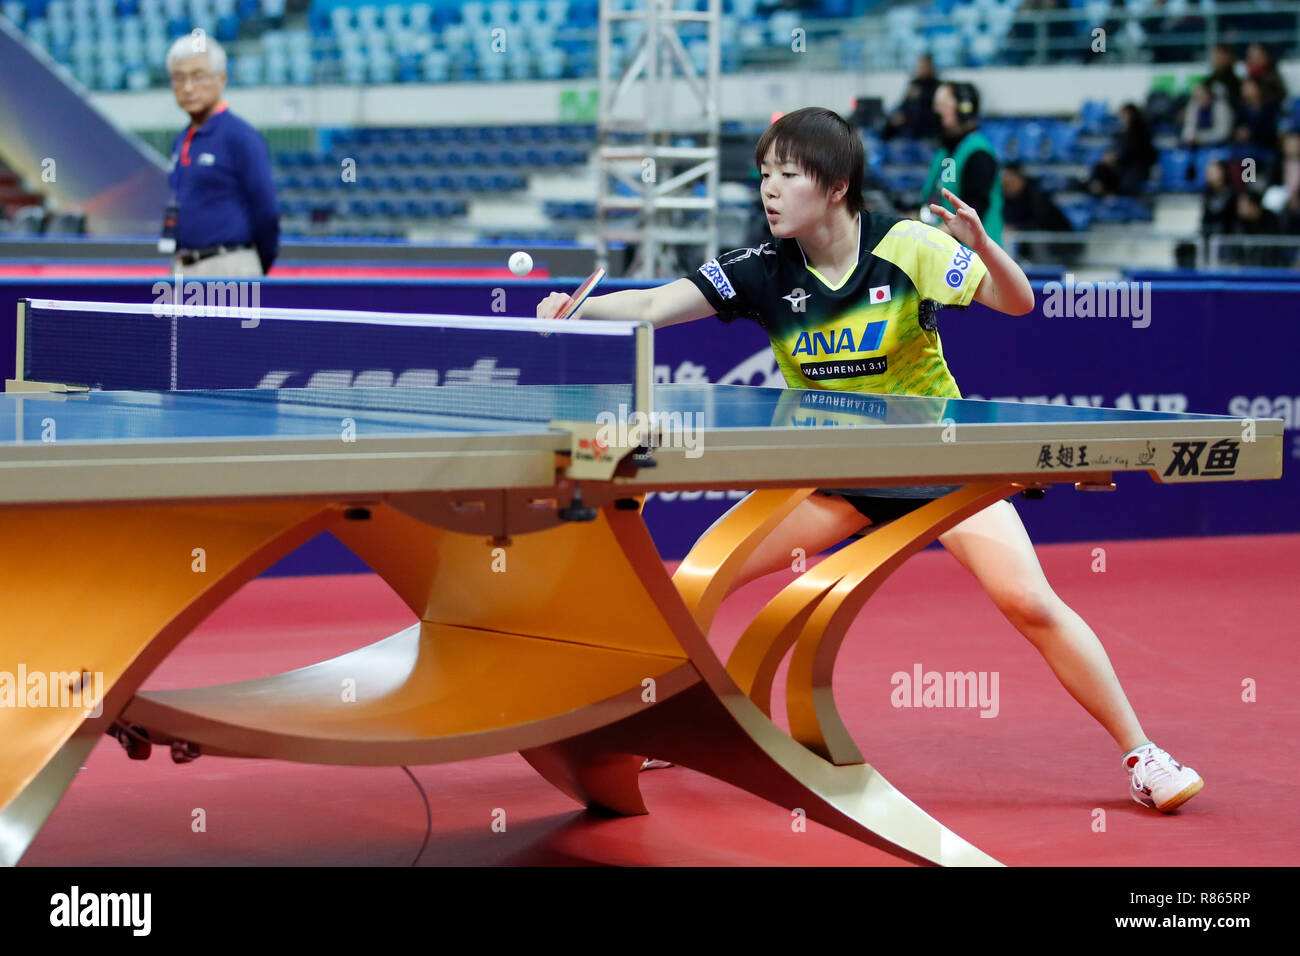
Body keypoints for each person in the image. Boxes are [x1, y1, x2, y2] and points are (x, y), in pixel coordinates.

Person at [536, 107, 1204, 813]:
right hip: (835, 475)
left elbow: (1017, 301)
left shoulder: (908, 245)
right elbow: (654, 304)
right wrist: (579, 310)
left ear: (835, 186)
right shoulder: (761, 267)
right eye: (763, 174)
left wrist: (983, 245)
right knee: (697, 580)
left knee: (1029, 601)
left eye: (786, 175)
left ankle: (1144, 754)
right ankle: (672, 724)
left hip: (940, 464)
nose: (767, 190)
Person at [165, 34, 280, 277]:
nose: (187, 87)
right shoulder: (180, 140)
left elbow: (267, 212)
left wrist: (253, 264)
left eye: (198, 76)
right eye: (179, 77)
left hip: (229, 265)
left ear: (222, 79)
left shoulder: (241, 137)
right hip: (184, 266)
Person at [919, 82, 1003, 245]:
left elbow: (970, 218)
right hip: (946, 257)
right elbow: (929, 200)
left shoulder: (978, 154)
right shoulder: (945, 153)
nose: (936, 112)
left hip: (974, 262)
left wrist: (926, 238)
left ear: (964, 110)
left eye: (942, 106)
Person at [1001, 163, 1077, 264]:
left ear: (1021, 179)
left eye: (1011, 183)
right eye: (1005, 184)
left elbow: (1039, 223)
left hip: (1057, 243)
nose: (1008, 188)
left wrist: (1016, 227)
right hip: (1031, 244)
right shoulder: (1007, 199)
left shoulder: (1037, 196)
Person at [1087, 103, 1158, 197]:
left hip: (1133, 171)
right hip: (1121, 168)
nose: (1122, 118)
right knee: (1100, 167)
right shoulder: (1121, 134)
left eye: (1124, 115)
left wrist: (1116, 158)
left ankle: (1103, 195)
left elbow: (1139, 155)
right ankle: (1097, 194)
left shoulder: (1142, 134)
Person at [880, 53, 941, 142]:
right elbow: (904, 105)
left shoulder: (936, 86)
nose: (921, 68)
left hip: (925, 127)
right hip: (908, 124)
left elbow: (931, 111)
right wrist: (899, 116)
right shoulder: (914, 84)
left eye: (924, 66)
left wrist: (908, 117)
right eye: (919, 66)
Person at [1231, 78, 1279, 154]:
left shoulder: (1271, 107)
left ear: (1258, 88)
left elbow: (1272, 130)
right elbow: (1236, 128)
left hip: (1267, 146)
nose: (1247, 91)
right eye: (1244, 88)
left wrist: (1251, 133)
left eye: (1250, 87)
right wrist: (1239, 134)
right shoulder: (1240, 109)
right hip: (1245, 146)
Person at [1179, 82, 1232, 148]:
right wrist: (1189, 137)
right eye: (1196, 97)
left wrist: (1200, 138)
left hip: (1220, 145)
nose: (1198, 100)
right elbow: (1188, 128)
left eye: (1201, 96)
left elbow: (1222, 133)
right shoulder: (1194, 105)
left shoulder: (1221, 106)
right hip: (1198, 146)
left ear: (1209, 95)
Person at [1244, 43, 1287, 109]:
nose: (1253, 61)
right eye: (1250, 57)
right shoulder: (1246, 78)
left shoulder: (1273, 78)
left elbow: (1279, 99)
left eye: (1257, 57)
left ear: (1265, 57)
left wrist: (1257, 97)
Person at [1206, 43, 1241, 111]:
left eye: (1220, 56)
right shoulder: (1211, 79)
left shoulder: (1234, 82)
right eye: (1216, 56)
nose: (1216, 59)